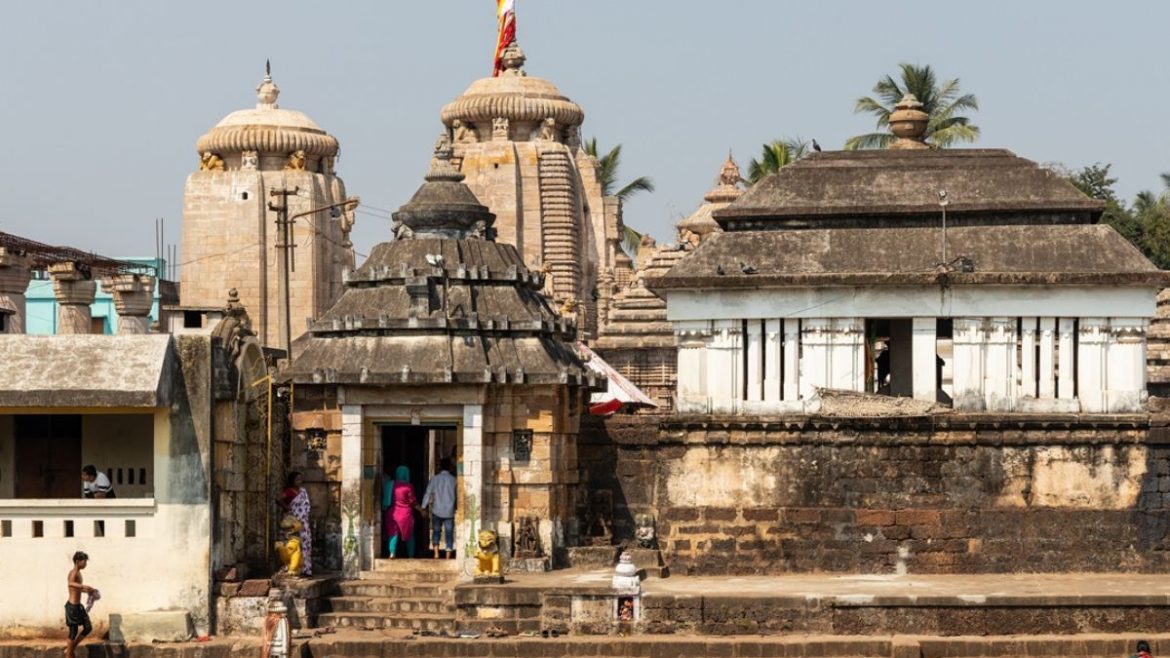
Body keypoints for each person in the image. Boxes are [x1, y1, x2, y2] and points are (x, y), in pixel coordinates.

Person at [276, 472, 312, 576]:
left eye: (300, 479)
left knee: (305, 543)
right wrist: (286, 508)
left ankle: (305, 568)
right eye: (297, 479)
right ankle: (292, 567)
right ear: (292, 480)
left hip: (304, 522)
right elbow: (278, 499)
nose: (299, 481)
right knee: (293, 544)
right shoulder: (289, 491)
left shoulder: (303, 491)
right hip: (293, 521)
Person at [420, 459, 457, 559]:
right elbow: (458, 495)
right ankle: (448, 555)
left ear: (439, 467)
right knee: (449, 533)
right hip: (449, 511)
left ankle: (436, 553)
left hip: (437, 510)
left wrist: (423, 507)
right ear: (450, 467)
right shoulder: (454, 480)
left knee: (436, 531)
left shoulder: (435, 479)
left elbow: (428, 493)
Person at [383, 465, 419, 558]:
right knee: (409, 534)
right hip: (405, 514)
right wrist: (421, 510)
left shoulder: (389, 484)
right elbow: (412, 501)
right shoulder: (408, 486)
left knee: (392, 533)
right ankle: (411, 555)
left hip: (391, 513)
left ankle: (392, 553)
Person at [65, 551, 95, 658]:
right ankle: (69, 655)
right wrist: (84, 586)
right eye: (84, 562)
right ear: (78, 562)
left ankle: (71, 648)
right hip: (72, 607)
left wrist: (88, 591)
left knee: (88, 627)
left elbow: (75, 589)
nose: (86, 564)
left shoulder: (78, 573)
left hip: (78, 606)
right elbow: (70, 583)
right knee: (73, 632)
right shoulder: (73, 573)